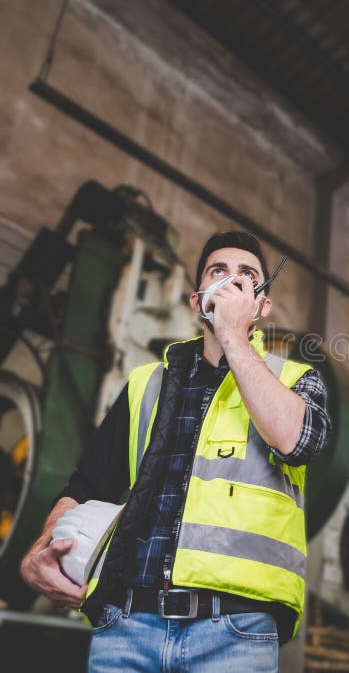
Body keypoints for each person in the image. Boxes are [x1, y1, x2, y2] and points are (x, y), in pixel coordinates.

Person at [20, 231, 331, 672]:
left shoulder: (295, 379)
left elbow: (298, 441)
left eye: (248, 276)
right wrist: (39, 549)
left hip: (235, 632)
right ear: (196, 299)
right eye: (217, 272)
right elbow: (87, 484)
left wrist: (234, 335)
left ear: (262, 306)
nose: (232, 282)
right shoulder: (146, 383)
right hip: (127, 625)